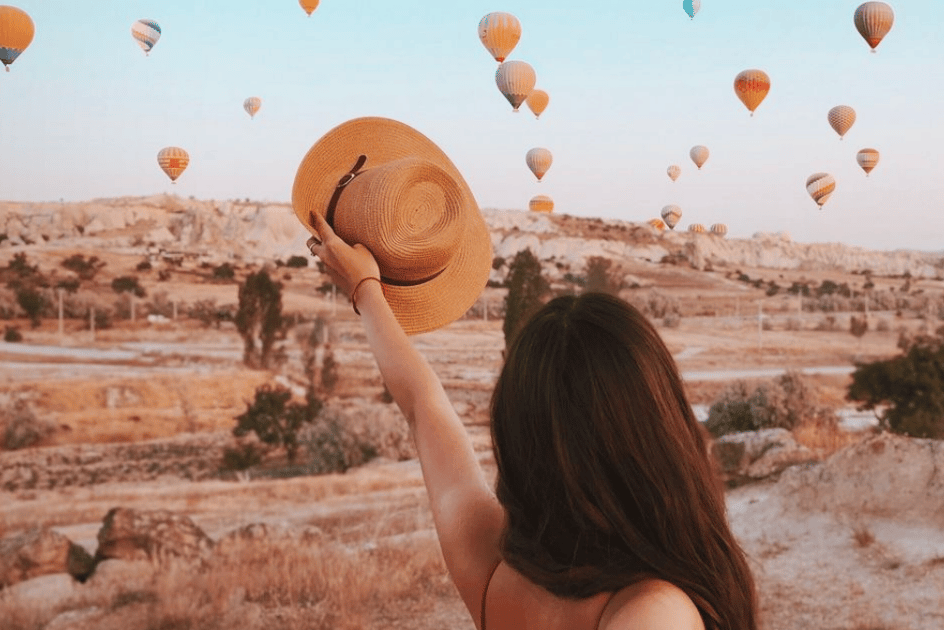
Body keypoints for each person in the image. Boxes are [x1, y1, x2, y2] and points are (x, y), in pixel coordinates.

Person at [299, 117, 757, 630]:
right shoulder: (651, 610)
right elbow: (423, 408)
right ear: (659, 430)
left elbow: (424, 410)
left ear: (517, 438)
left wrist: (366, 289)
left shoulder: (493, 572)